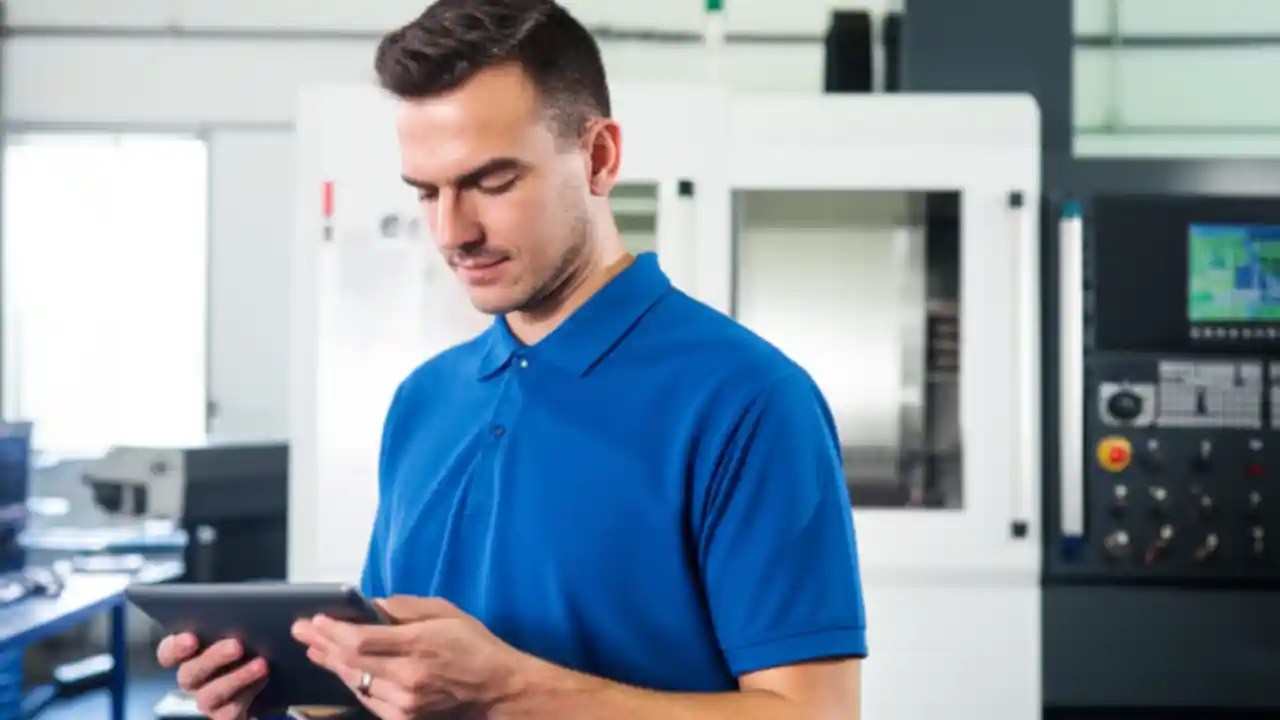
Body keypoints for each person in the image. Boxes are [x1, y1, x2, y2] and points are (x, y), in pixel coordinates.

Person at [157, 0, 868, 717]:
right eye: (427, 191)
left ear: (598, 157)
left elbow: (814, 712)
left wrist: (509, 689)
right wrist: (270, 696)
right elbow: (392, 690)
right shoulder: (425, 400)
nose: (452, 231)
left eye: (491, 183)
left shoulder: (747, 400)